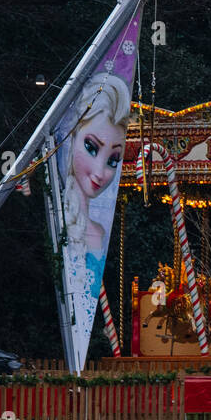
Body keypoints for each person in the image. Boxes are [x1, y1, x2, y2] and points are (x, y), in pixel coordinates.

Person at [61, 74, 132, 286]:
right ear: (72, 136)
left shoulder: (99, 231)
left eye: (113, 160)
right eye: (91, 147)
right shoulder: (57, 214)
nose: (100, 173)